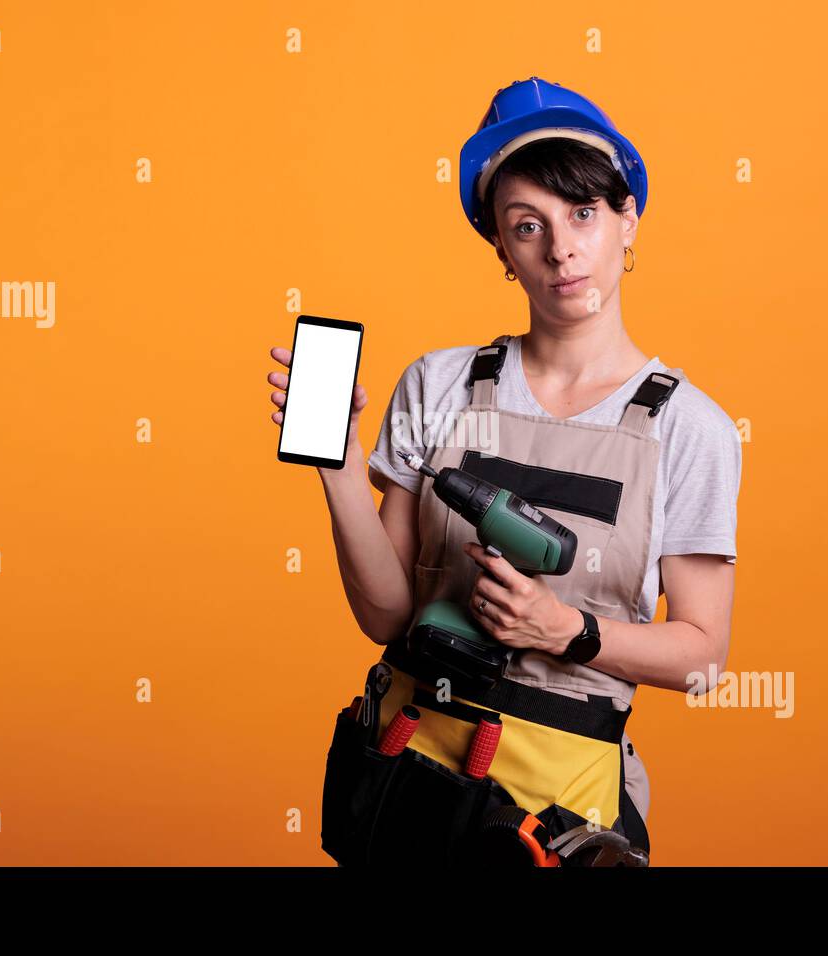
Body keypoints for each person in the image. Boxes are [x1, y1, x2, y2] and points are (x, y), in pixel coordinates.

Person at [267, 77, 741, 865]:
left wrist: (570, 633)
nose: (561, 250)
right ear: (501, 250)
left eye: (583, 214)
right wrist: (342, 465)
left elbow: (702, 659)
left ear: (629, 221)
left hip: (559, 810)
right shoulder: (439, 384)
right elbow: (388, 616)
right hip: (408, 775)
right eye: (529, 226)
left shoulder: (691, 429)